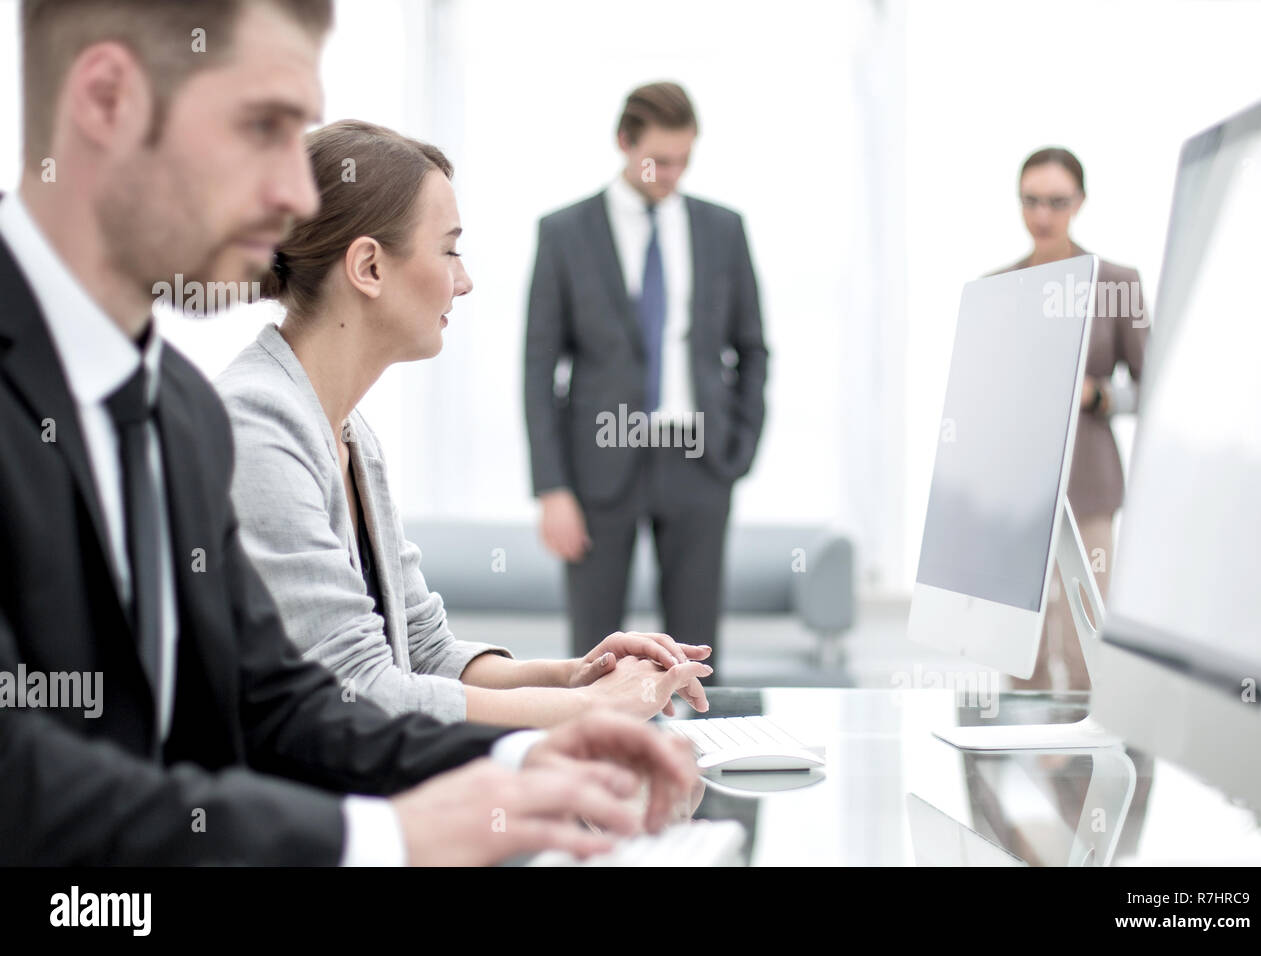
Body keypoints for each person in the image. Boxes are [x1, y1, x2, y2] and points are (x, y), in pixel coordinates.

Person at [0, 0, 695, 866]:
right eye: (264, 127)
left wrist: (534, 757)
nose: (295, 193)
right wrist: (386, 836)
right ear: (106, 101)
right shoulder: (235, 417)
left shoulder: (177, 408)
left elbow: (286, 704)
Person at [216, 120, 713, 728]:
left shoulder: (348, 433)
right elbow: (359, 690)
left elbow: (420, 651)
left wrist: (576, 674)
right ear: (368, 266)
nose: (465, 280)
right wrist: (584, 708)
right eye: (448, 249)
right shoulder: (256, 429)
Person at [524, 82, 768, 682]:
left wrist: (737, 451)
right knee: (595, 654)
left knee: (696, 658)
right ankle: (592, 769)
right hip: (598, 463)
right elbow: (537, 366)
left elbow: (753, 348)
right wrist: (551, 488)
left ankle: (698, 770)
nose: (672, 174)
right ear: (624, 143)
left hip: (698, 458)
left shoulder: (722, 229)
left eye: (685, 159)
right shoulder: (564, 233)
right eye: (661, 159)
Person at [991, 147, 1149, 690]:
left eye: (1056, 202)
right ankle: (1018, 766)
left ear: (1079, 202)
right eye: (1031, 201)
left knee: (1086, 641)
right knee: (1021, 651)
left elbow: (1152, 388)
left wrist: (1096, 395)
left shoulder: (1116, 282)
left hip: (1090, 485)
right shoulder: (999, 287)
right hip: (1018, 489)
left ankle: (1091, 770)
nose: (1042, 216)